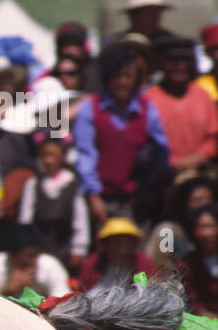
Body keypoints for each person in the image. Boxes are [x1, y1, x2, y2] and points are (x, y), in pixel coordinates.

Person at [73, 49, 172, 226]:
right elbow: (86, 154)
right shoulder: (91, 108)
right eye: (117, 76)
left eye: (128, 76)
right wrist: (93, 196)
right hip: (101, 197)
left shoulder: (147, 109)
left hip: (136, 197)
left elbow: (161, 150)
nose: (122, 82)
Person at [142, 37, 218, 174]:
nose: (180, 66)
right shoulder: (148, 98)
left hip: (200, 173)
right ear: (162, 64)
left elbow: (213, 137)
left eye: (185, 61)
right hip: (160, 176)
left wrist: (198, 158)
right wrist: (172, 162)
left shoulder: (203, 96)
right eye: (174, 61)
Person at [17, 136, 90, 271]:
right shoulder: (33, 183)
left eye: (53, 155)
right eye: (45, 156)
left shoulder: (73, 183)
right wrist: (26, 244)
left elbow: (80, 220)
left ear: (62, 157)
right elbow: (25, 218)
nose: (49, 160)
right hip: (40, 246)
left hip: (65, 245)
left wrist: (78, 248)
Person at [0, 224, 71, 299]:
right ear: (12, 254)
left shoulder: (49, 265)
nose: (34, 261)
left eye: (36, 255)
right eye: (29, 255)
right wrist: (9, 291)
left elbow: (63, 300)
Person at [179, 203, 218, 322]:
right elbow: (192, 300)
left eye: (211, 226)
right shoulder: (187, 263)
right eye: (201, 227)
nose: (207, 233)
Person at [107, 0, 177, 48]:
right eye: (148, 12)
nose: (154, 17)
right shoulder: (115, 45)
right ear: (133, 15)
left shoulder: (172, 43)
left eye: (157, 11)